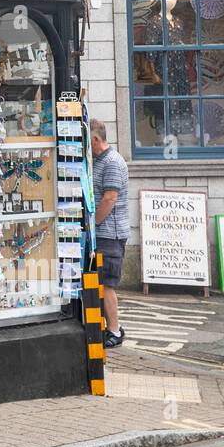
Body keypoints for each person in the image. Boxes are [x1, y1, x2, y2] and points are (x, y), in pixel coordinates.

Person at [90, 118, 128, 347]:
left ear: (96, 139)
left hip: (109, 233)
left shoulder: (112, 162)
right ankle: (109, 328)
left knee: (107, 284)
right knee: (101, 283)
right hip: (103, 233)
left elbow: (110, 198)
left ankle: (114, 331)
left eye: (88, 142)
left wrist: (93, 224)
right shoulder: (99, 160)